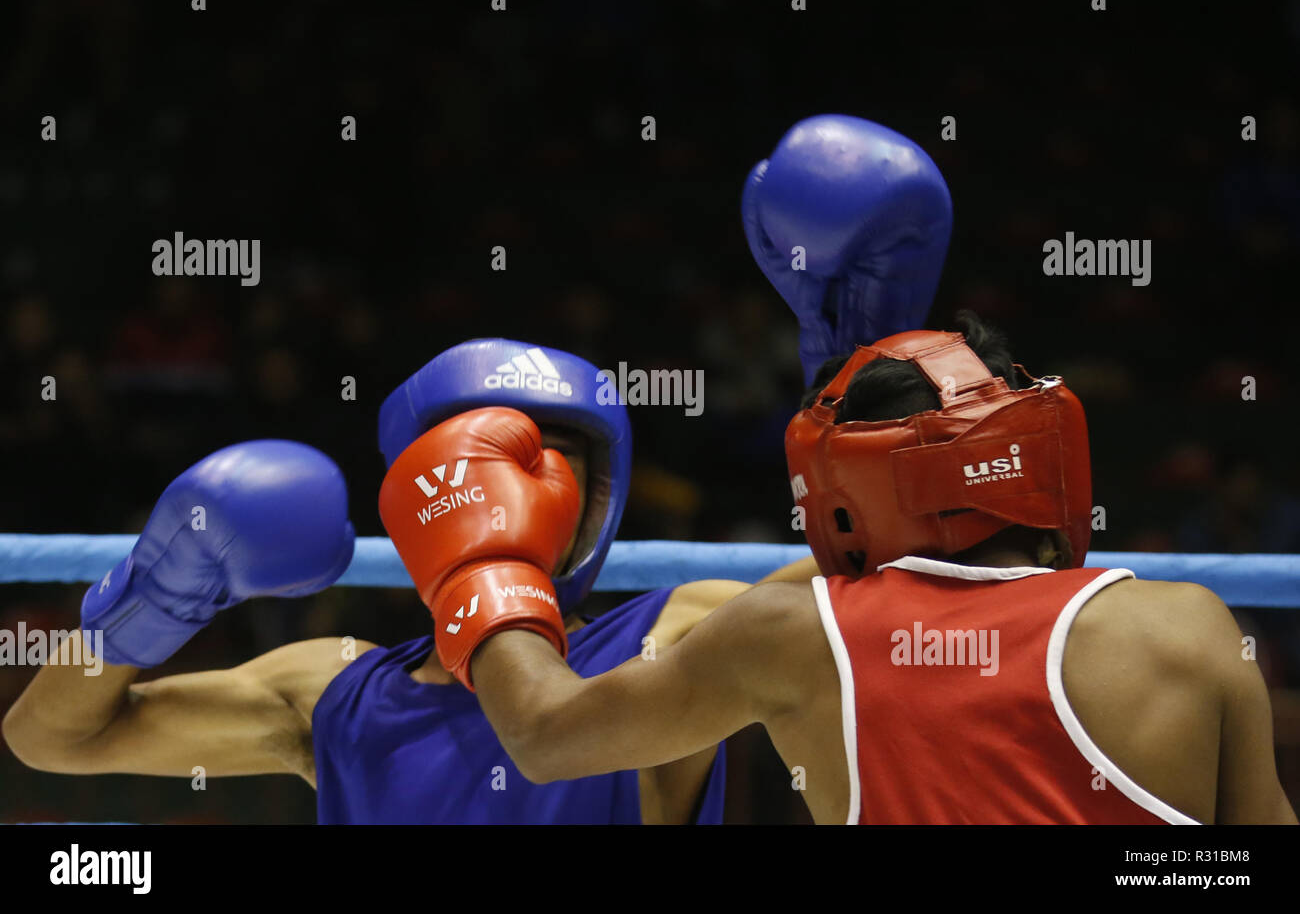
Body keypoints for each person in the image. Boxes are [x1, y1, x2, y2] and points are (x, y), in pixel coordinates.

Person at [389, 313, 1298, 825]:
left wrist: (484, 564)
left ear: (842, 495)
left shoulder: (798, 637)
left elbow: (549, 738)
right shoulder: (1193, 626)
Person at [1, 340, 758, 823]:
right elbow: (48, 738)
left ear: (596, 504)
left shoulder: (672, 639)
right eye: (476, 471)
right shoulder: (337, 688)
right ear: (420, 499)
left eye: (546, 468)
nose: (513, 498)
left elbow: (851, 616)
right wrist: (151, 597)